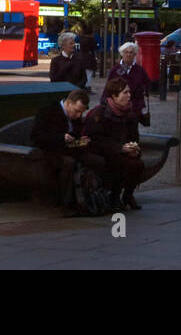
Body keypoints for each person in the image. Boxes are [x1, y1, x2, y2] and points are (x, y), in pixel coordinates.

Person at [30, 88, 103, 210]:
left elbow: (76, 134)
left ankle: (95, 198)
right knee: (68, 163)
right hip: (49, 151)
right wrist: (61, 137)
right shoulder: (48, 111)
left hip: (70, 150)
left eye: (81, 112)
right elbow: (37, 137)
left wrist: (81, 140)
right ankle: (66, 203)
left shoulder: (75, 117)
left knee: (98, 160)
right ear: (68, 103)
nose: (78, 115)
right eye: (76, 111)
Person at [84, 76, 145, 211]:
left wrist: (134, 149)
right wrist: (119, 148)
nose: (129, 95)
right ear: (114, 96)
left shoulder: (130, 115)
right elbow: (94, 140)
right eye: (125, 92)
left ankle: (128, 195)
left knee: (137, 163)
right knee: (121, 163)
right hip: (104, 152)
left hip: (122, 151)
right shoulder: (100, 114)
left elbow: (134, 138)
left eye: (129, 92)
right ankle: (115, 196)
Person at [105, 41, 152, 127]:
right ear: (122, 54)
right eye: (126, 52)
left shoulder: (139, 70)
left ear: (135, 54)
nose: (128, 54)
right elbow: (108, 87)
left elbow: (147, 84)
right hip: (119, 104)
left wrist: (140, 90)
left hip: (135, 106)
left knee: (132, 128)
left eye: (131, 52)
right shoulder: (115, 69)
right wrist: (105, 102)